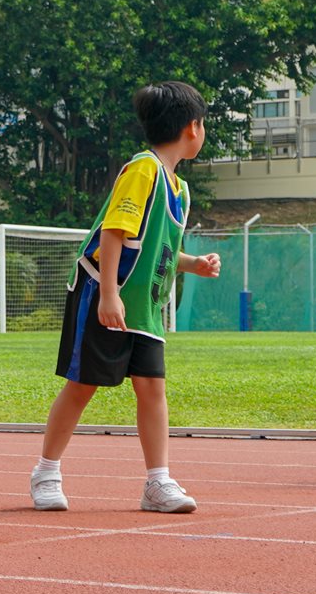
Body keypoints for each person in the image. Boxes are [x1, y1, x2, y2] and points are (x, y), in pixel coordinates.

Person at [28, 82, 224, 513]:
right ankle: (45, 472)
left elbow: (159, 251)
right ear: (192, 128)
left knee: (153, 388)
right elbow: (116, 232)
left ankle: (158, 482)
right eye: (204, 123)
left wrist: (194, 264)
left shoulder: (179, 188)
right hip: (104, 292)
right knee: (82, 386)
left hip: (145, 309)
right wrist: (109, 295)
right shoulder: (143, 170)